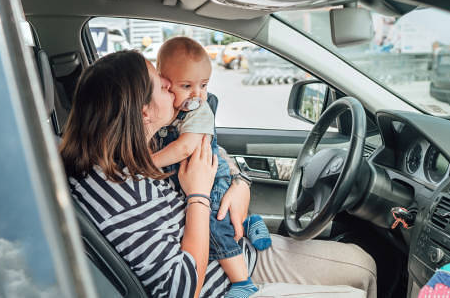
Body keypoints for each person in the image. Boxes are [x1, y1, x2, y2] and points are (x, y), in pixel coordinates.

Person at [61, 50, 377, 298]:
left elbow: (212, 152)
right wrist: (198, 197)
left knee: (363, 267)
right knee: (353, 291)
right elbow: (182, 290)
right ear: (144, 111)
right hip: (220, 285)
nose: (170, 84)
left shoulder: (145, 145)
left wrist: (240, 184)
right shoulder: (117, 190)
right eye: (161, 83)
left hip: (236, 254)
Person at [152, 37, 270, 297]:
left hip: (212, 178)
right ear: (164, 82)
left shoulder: (199, 111)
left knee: (214, 226)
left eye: (204, 85)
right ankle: (250, 223)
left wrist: (146, 164)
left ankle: (242, 282)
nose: (197, 94)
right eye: (187, 86)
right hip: (192, 180)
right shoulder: (164, 111)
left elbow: (184, 148)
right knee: (220, 220)